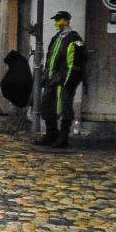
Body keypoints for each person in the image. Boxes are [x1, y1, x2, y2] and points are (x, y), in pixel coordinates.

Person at [35, 11, 86, 148]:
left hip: (64, 81)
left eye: (59, 20)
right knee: (46, 106)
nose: (56, 23)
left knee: (65, 108)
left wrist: (69, 81)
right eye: (56, 20)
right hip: (52, 79)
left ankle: (63, 137)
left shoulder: (74, 39)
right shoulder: (56, 37)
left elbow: (74, 64)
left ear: (66, 21)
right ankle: (51, 134)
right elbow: (50, 58)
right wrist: (46, 76)